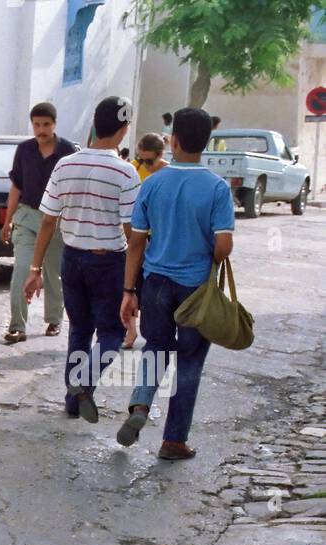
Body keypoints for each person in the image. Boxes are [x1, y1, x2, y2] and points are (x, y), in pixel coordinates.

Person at [118, 107, 234, 460]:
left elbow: (135, 242)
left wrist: (128, 290)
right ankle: (173, 441)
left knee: (156, 347)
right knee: (189, 360)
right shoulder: (217, 187)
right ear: (206, 142)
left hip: (154, 284)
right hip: (196, 290)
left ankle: (140, 405)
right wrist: (205, 257)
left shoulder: (152, 183)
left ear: (174, 140)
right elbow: (224, 245)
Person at [24, 97, 139, 423]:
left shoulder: (66, 165)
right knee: (113, 334)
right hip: (108, 263)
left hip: (71, 260)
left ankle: (73, 402)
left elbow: (48, 221)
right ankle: (83, 384)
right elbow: (134, 234)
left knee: (79, 330)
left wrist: (35, 269)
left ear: (94, 124)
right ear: (124, 129)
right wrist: (134, 284)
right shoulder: (125, 172)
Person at [1, 102, 77, 344]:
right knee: (22, 270)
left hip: (57, 220)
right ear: (32, 124)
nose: (41, 129)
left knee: (54, 272)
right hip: (27, 217)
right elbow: (16, 187)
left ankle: (54, 319)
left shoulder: (68, 151)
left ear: (54, 124)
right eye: (37, 125)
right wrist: (8, 220)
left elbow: (74, 190)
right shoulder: (24, 150)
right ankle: (17, 326)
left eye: (46, 124)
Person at [124, 133, 168, 346]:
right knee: (130, 285)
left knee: (152, 292)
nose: (145, 165)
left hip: (158, 238)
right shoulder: (133, 168)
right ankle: (130, 331)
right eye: (141, 159)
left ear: (161, 154)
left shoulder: (168, 174)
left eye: (150, 161)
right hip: (136, 235)